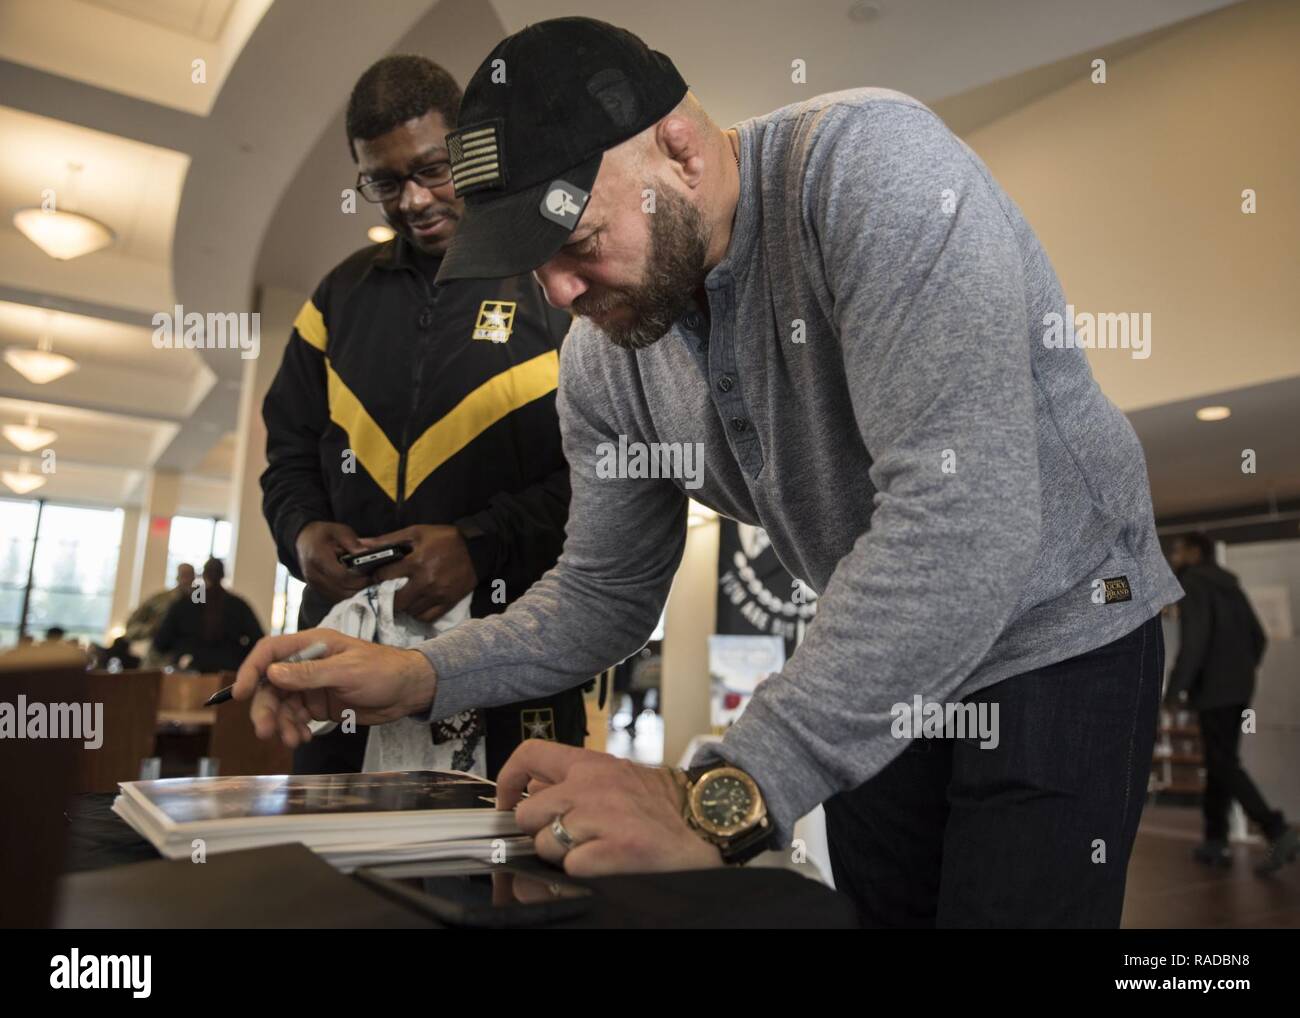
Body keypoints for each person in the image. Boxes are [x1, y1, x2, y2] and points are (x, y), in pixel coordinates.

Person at [235, 18, 1184, 927]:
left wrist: (715, 794)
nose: (559, 291)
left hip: (1057, 626)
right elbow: (604, 591)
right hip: (884, 654)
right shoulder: (604, 357)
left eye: (576, 241)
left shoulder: (873, 169)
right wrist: (420, 673)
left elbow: (964, 517)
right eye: (533, 262)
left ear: (681, 153)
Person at [259, 55, 587, 777]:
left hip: (512, 660)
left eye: (433, 169)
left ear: (471, 149)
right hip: (342, 660)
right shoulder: (337, 300)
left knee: (504, 847)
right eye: (384, 181)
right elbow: (288, 455)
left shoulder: (558, 281)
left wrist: (481, 543)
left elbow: (606, 479)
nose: (411, 200)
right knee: (332, 846)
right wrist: (301, 532)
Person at [1166, 533, 1297, 874]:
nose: (1173, 557)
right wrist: (1241, 671)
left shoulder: (1193, 583)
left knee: (1223, 763)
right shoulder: (1229, 585)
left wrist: (1174, 691)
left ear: (1195, 552)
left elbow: (1194, 643)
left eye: (1178, 550)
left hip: (1214, 691)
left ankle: (1276, 829)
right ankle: (1215, 840)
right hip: (1238, 689)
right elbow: (1259, 637)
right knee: (1219, 761)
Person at [153, 558, 263, 672]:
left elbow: (161, 642)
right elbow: (257, 638)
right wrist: (238, 654)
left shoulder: (186, 602)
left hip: (190, 667)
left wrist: (181, 650)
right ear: (223, 575)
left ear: (203, 575)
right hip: (227, 669)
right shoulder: (237, 605)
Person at [125, 563, 195, 644]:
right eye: (183, 575)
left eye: (189, 575)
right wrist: (152, 629)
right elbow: (131, 627)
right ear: (177, 577)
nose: (186, 580)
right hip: (162, 647)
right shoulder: (160, 600)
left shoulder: (201, 601)